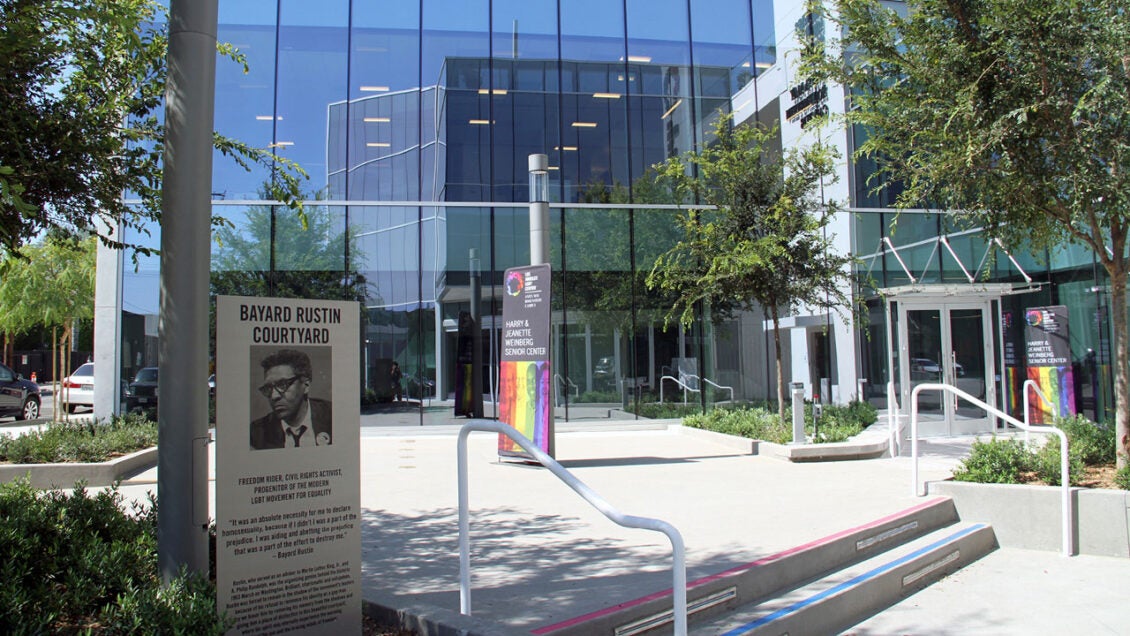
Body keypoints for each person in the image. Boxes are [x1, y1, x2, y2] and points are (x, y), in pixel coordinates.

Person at [250, 349, 332, 449]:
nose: (274, 396)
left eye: (283, 384)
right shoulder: (256, 434)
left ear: (306, 385)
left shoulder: (333, 416)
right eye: (268, 388)